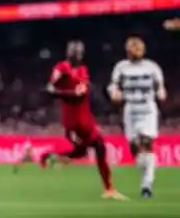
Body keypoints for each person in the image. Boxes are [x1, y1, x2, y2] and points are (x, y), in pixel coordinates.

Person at [40, 40, 126, 200]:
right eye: (74, 51)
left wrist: (77, 93)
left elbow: (83, 89)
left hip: (85, 117)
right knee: (96, 147)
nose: (78, 54)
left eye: (80, 51)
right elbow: (50, 89)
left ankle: (51, 156)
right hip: (73, 120)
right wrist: (70, 93)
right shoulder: (61, 69)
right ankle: (109, 189)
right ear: (68, 52)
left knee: (86, 151)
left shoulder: (82, 69)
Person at [108, 36, 166, 198]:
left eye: (136, 48)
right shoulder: (121, 67)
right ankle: (145, 175)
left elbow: (160, 86)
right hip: (131, 110)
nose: (133, 51)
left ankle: (147, 185)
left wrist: (161, 92)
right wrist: (114, 93)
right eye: (131, 49)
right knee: (135, 148)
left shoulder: (152, 67)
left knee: (147, 144)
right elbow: (114, 85)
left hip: (147, 109)